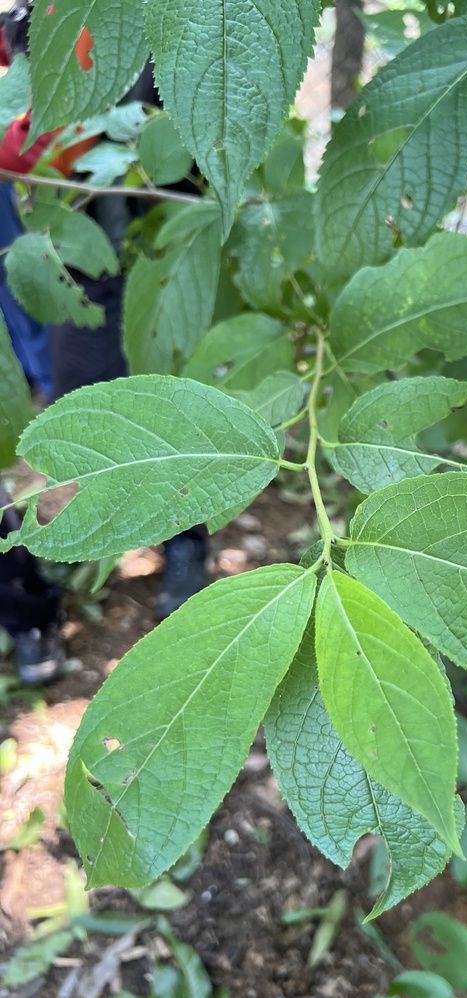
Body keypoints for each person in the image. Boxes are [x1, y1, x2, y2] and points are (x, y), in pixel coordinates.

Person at [0, 1, 208, 684]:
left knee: (132, 375)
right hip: (47, 178)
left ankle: (185, 533)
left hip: (102, 175)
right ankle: (33, 602)